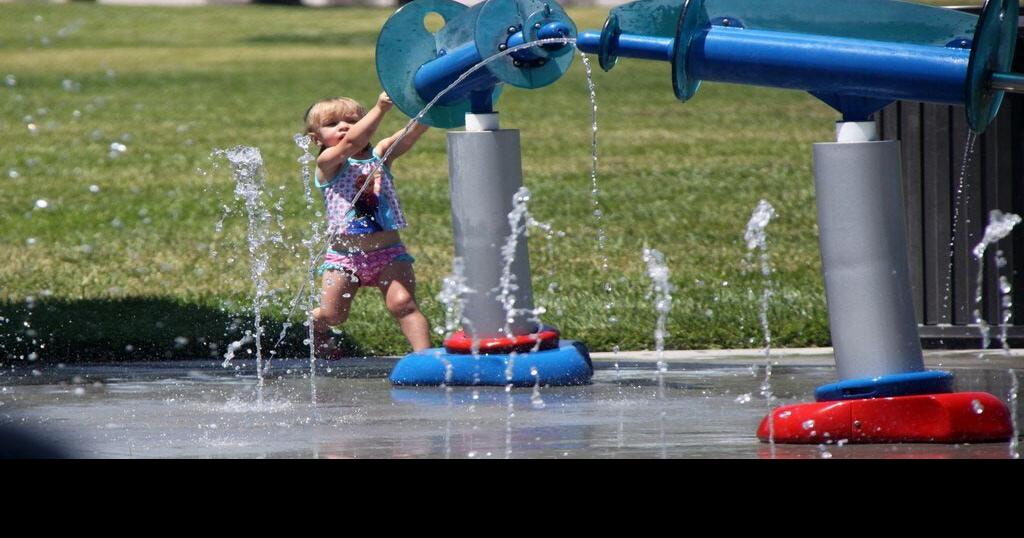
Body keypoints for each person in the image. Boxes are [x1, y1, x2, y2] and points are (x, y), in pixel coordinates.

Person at [304, 92, 431, 358]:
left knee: (403, 305)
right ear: (316, 139)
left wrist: (431, 110)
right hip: (344, 258)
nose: (344, 126)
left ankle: (426, 359)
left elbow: (409, 135)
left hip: (389, 253)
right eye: (332, 123)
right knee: (333, 315)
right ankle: (316, 328)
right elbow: (351, 142)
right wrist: (380, 108)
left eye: (352, 120)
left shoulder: (380, 155)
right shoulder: (327, 164)